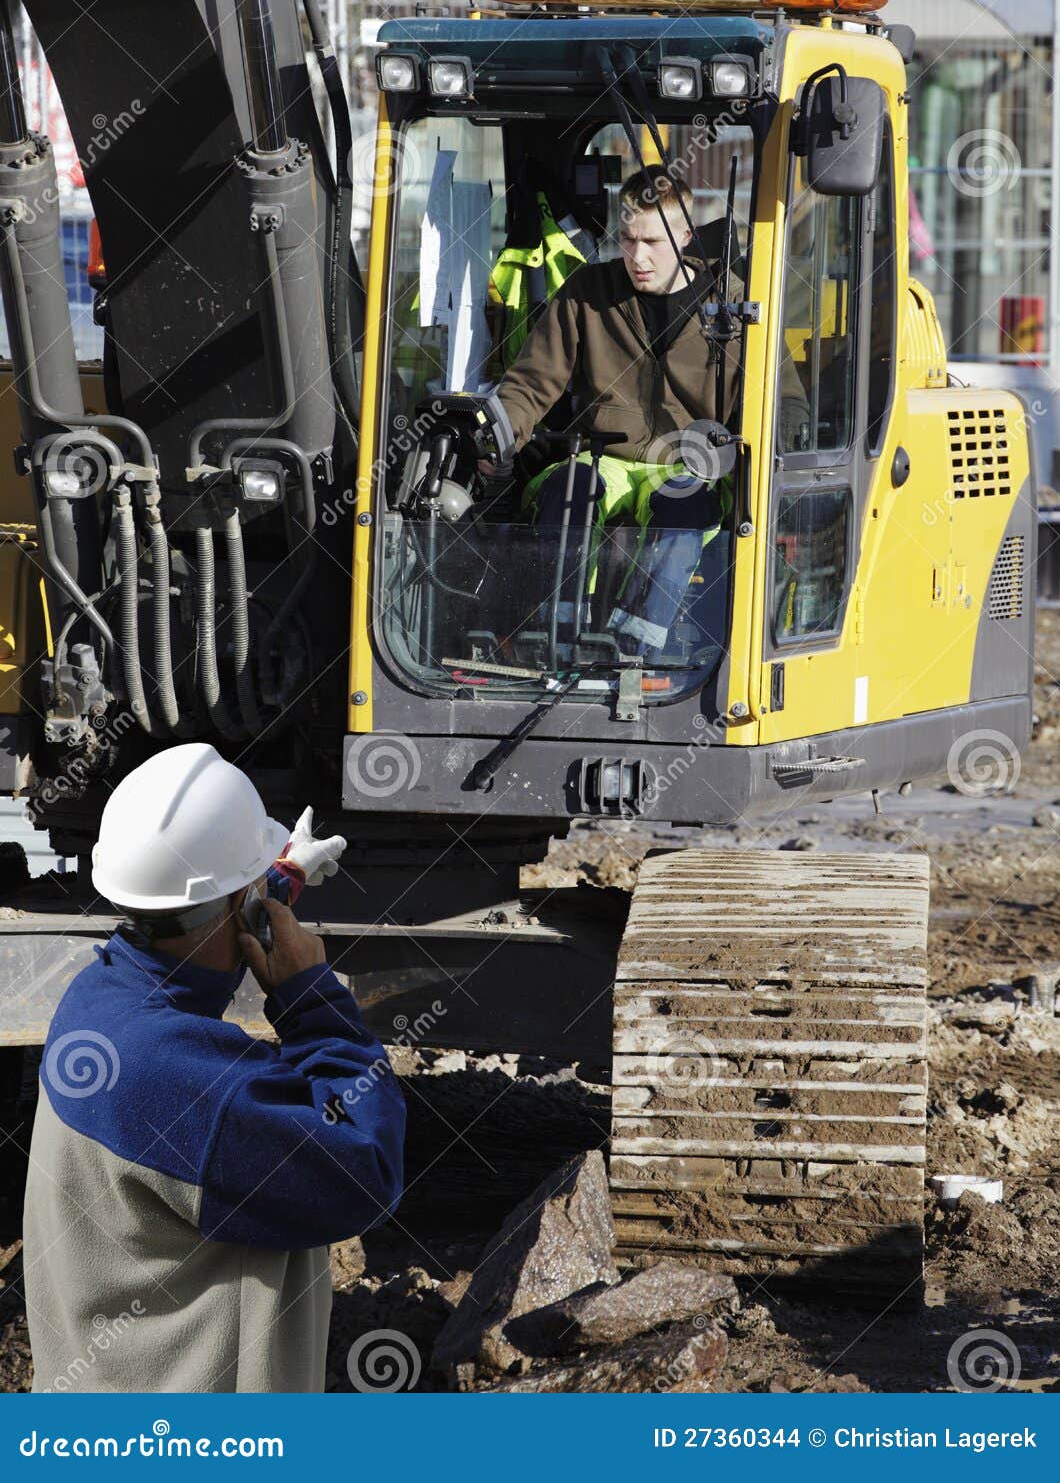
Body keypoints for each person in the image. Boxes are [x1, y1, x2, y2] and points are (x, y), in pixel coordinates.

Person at [22, 743, 405, 1394]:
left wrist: (273, 883)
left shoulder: (101, 1002)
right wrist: (312, 1001)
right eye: (255, 894)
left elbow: (191, 933)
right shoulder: (194, 1088)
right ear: (235, 909)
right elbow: (366, 1169)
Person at [492, 169, 742, 661]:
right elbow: (530, 383)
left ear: (686, 235)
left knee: (686, 503)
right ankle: (554, 637)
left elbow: (786, 398)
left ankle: (631, 650)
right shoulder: (588, 292)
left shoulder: (732, 305)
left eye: (652, 240)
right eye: (627, 239)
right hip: (603, 455)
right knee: (571, 491)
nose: (637, 256)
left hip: (687, 463)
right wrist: (495, 435)